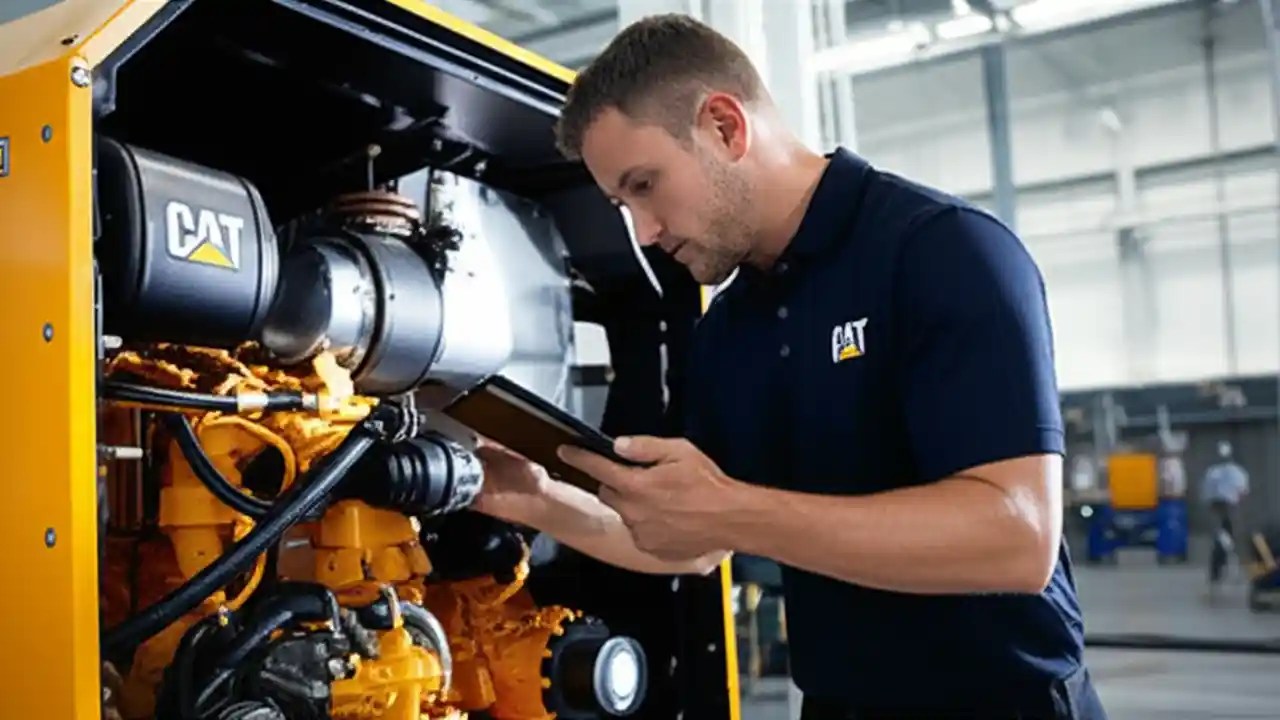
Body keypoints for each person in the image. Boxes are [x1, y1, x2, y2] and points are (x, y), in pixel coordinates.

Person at [471, 13, 1107, 720]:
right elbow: (693, 540)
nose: (644, 233)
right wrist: (538, 500)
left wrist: (734, 509)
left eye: (645, 185)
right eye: (624, 205)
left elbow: (1016, 540)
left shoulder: (943, 252)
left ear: (724, 126)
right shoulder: (727, 330)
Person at [1202, 440, 1249, 583]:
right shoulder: (1238, 472)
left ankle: (1217, 570)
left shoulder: (1212, 472)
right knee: (1232, 537)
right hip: (1230, 505)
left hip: (1216, 506)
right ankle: (1234, 568)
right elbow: (1243, 492)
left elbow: (1206, 493)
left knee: (1220, 538)